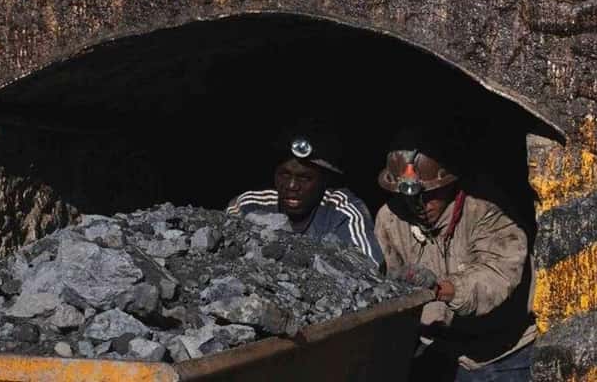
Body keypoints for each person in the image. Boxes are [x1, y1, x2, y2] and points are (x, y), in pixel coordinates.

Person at [374, 129, 535, 382]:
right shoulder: (390, 218)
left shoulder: (486, 208)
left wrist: (440, 289)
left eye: (428, 195)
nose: (418, 205)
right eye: (409, 197)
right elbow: (382, 284)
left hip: (504, 352)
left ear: (451, 184)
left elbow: (496, 275)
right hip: (441, 349)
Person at [227, 127, 383, 266]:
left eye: (305, 178)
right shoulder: (249, 205)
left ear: (325, 181)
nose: (292, 186)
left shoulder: (342, 210)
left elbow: (371, 265)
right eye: (285, 175)